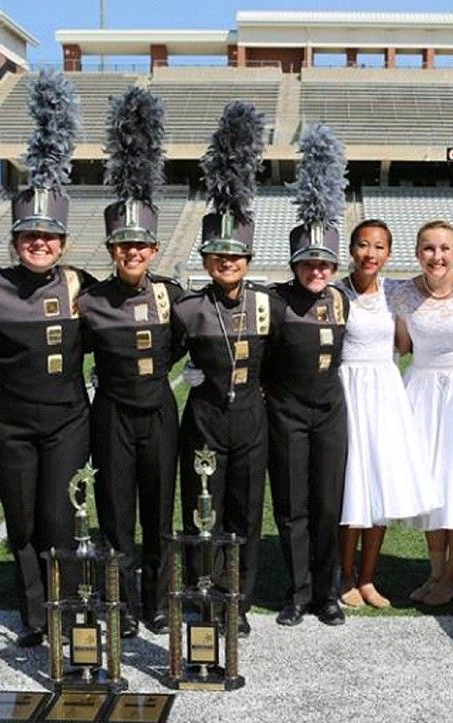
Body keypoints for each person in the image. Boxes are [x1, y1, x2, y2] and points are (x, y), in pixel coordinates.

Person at [0, 70, 91, 648]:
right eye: (28, 235)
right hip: (9, 424)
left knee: (59, 519)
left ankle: (66, 607)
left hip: (68, 422)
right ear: (15, 239)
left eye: (49, 235)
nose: (39, 242)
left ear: (63, 242)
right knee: (21, 523)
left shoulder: (80, 284)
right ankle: (34, 614)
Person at [173, 102, 283, 637]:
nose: (227, 263)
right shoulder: (189, 308)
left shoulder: (267, 304)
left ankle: (238, 599)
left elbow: (285, 359)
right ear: (205, 260)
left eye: (236, 256)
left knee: (246, 513)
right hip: (204, 420)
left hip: (251, 423)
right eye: (218, 256)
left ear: (248, 260)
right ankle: (205, 594)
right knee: (203, 511)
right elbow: (161, 357)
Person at [78, 86, 184, 638]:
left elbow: (190, 340)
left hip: (159, 411)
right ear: (110, 249)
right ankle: (119, 603)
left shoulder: (171, 294)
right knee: (116, 514)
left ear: (155, 249)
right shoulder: (89, 299)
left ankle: (158, 602)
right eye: (123, 246)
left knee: (159, 514)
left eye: (141, 246)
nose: (133, 253)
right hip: (112, 415)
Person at [265, 124, 349, 627]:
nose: (316, 270)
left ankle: (327, 593)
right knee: (292, 506)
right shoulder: (274, 301)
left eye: (324, 263)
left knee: (326, 505)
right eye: (308, 263)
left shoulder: (341, 299)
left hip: (330, 413)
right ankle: (297, 593)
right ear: (294, 264)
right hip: (287, 414)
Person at [336, 220, 441, 610]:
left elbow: (404, 342)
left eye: (379, 247)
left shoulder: (396, 292)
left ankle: (367, 577)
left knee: (378, 487)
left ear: (389, 253)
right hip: (347, 391)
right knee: (352, 486)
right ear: (352, 249)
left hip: (384, 393)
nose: (371, 253)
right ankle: (345, 575)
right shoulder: (336, 291)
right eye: (364, 245)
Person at [388, 220, 453, 607]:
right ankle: (435, 572)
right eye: (429, 248)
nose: (437, 256)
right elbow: (400, 344)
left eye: (445, 248)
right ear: (418, 253)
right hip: (421, 393)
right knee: (430, 485)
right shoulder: (403, 294)